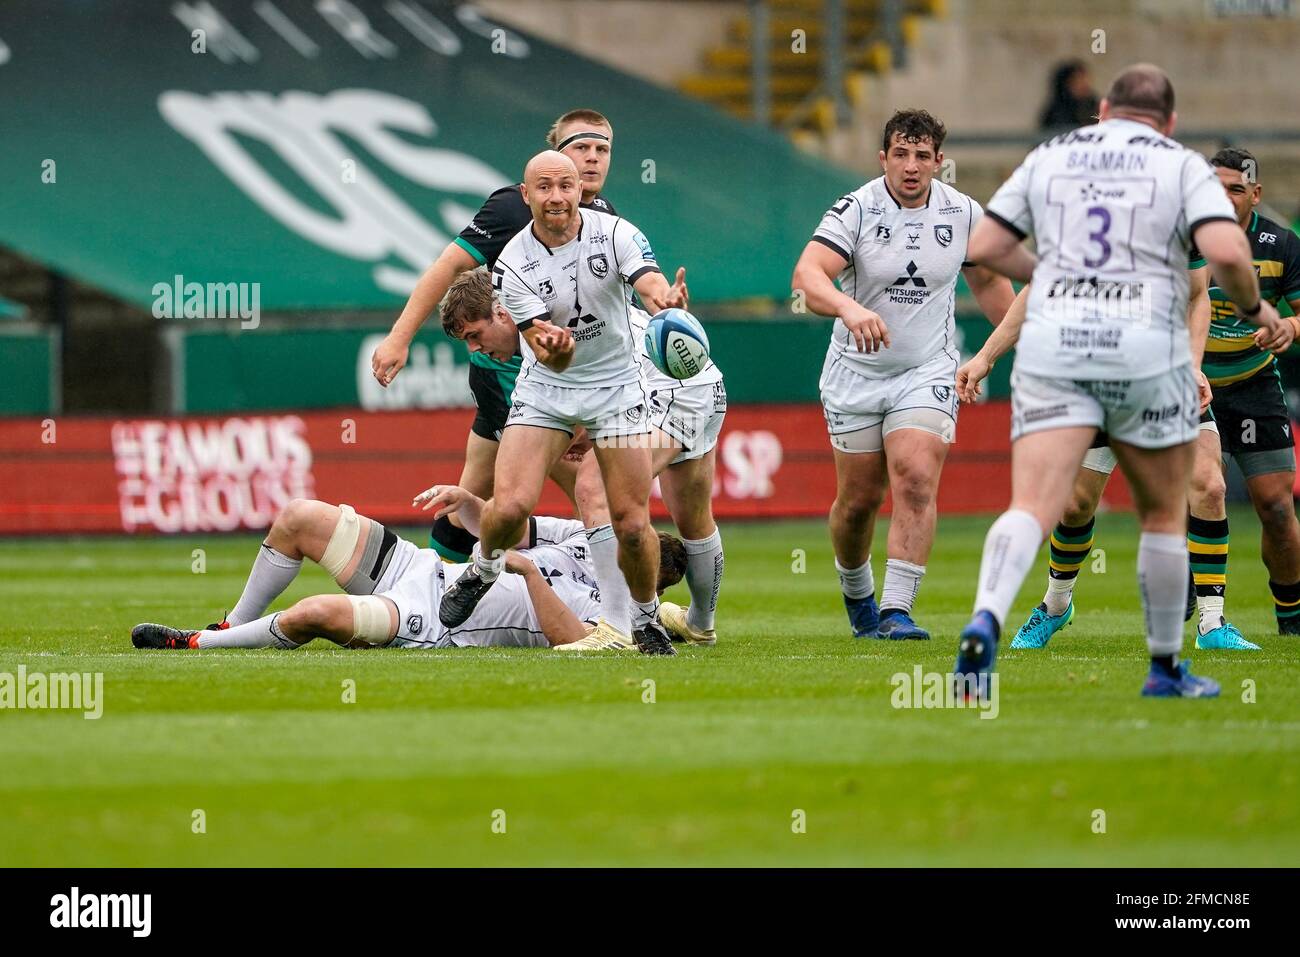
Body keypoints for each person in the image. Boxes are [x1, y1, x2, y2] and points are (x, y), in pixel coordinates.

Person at [955, 64, 1288, 698]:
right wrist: (1257, 310)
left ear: (1105, 107)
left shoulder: (1052, 154)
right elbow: (1224, 253)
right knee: (1164, 514)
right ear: (1169, 121)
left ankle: (985, 617)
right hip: (1142, 350)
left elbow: (989, 244)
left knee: (1034, 504)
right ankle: (1164, 669)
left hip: (1059, 351)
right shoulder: (1181, 165)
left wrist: (1058, 275)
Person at [437, 151, 688, 655]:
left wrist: (664, 298)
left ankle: (642, 620)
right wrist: (553, 347)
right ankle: (483, 569)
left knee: (633, 523)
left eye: (565, 186)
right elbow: (540, 347)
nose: (556, 197)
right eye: (544, 188)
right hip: (547, 388)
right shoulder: (511, 260)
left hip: (617, 388)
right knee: (510, 505)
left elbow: (648, 279)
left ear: (579, 190)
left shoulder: (617, 234)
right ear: (526, 195)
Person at [790, 109, 1016, 641]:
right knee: (858, 502)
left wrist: (1002, 348)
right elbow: (806, 275)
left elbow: (989, 284)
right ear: (883, 158)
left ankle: (896, 611)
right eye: (900, 154)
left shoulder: (963, 214)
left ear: (940, 162)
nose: (910, 166)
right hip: (854, 373)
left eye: (922, 156)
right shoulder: (857, 208)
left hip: (927, 368)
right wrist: (849, 310)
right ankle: (859, 597)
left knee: (915, 476)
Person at [957, 267, 1264, 651]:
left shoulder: (1177, 213)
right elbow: (1037, 289)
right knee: (1073, 507)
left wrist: (1193, 365)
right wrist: (986, 356)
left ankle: (1212, 622)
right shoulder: (1082, 219)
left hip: (1163, 377)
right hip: (1095, 379)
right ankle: (1055, 605)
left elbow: (1197, 294)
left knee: (1210, 487)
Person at [371, 109, 620, 562]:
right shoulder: (512, 207)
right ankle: (628, 607)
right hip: (511, 371)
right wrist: (399, 338)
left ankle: (437, 585)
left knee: (476, 489)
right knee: (587, 486)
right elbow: (448, 265)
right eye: (578, 147)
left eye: (602, 149)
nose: (591, 158)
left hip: (557, 371)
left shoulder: (605, 217)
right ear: (552, 155)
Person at [439, 267, 728, 647]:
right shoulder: (536, 329)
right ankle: (700, 625)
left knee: (595, 486)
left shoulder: (546, 327)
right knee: (692, 516)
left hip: (666, 387)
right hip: (697, 385)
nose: (475, 349)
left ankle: (616, 628)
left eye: (475, 335)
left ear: (502, 313)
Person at [130, 491, 687, 651]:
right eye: (628, 542)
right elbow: (503, 524)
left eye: (635, 553)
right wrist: (468, 501)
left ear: (651, 581)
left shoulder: (617, 617)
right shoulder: (586, 540)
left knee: (314, 614)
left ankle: (198, 645)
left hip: (430, 620)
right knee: (299, 518)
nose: (622, 547)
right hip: (423, 569)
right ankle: (230, 624)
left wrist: (530, 576)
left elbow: (573, 644)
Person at [1194, 148, 1300, 636]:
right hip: (1191, 386)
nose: (1224, 198)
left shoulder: (1280, 244)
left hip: (1254, 382)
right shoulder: (1180, 239)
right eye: (1214, 188)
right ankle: (1192, 607)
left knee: (1278, 508)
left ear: (1255, 195)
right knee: (1193, 498)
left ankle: (1291, 616)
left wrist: (1290, 327)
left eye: (1236, 189)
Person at [1039, 59, 1099, 132]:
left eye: (1085, 79)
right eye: (1077, 80)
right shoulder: (1056, 114)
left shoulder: (1096, 107)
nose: (1084, 84)